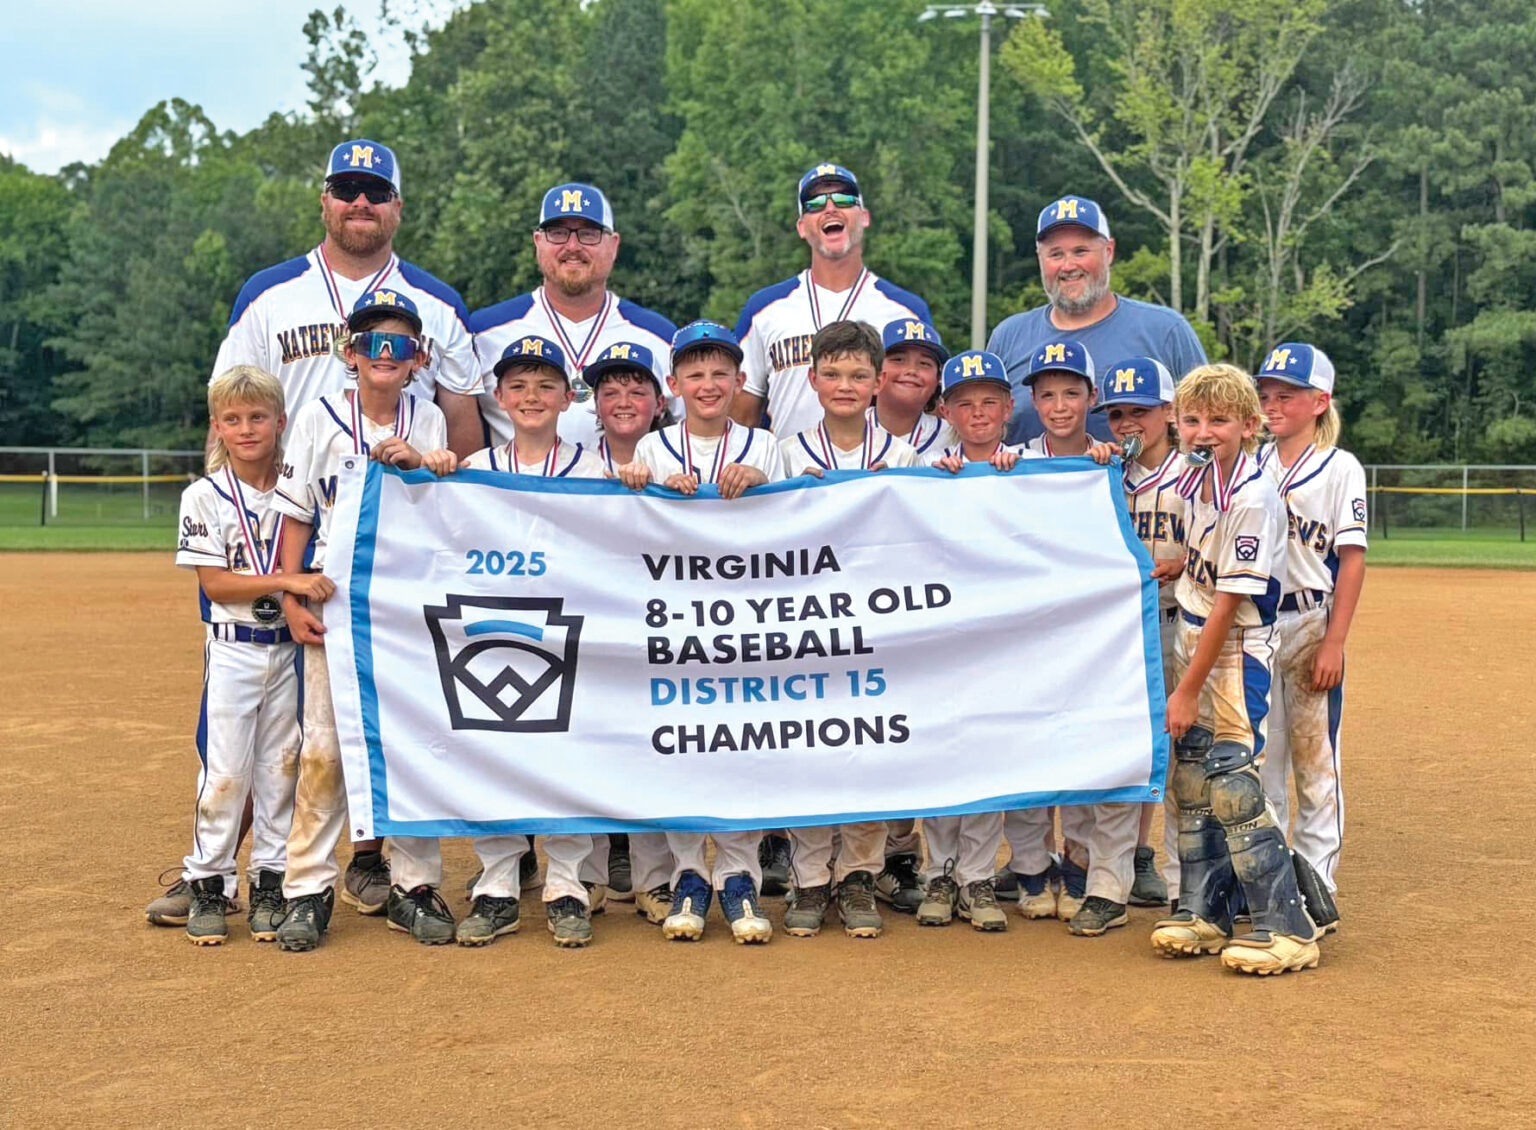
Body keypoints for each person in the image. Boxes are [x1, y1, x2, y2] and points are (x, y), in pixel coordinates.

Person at [148, 138, 481, 928]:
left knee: (379, 721)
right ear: (325, 200)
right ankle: (228, 871)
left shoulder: (433, 302)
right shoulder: (270, 294)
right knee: (253, 709)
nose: (360, 204)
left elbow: (463, 419)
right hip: (286, 530)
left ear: (397, 206)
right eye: (346, 190)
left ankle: (375, 871)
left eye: (376, 192)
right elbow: (227, 404)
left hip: (398, 558)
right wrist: (226, 515)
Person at [268, 289, 456, 952]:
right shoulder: (319, 418)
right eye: (373, 342)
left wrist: (428, 467)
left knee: (414, 743)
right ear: (349, 353)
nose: (387, 354)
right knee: (324, 747)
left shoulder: (428, 418)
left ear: (418, 357)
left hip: (408, 605)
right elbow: (294, 513)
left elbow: (445, 508)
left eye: (400, 345)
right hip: (336, 598)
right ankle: (307, 887)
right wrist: (290, 596)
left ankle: (413, 884)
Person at [409, 335, 608, 948]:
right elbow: (433, 547)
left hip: (571, 633)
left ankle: (568, 885)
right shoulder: (473, 473)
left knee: (568, 759)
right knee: (490, 757)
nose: (531, 397)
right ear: (497, 396)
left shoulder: (594, 469)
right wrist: (428, 475)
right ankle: (496, 887)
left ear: (568, 396)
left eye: (545, 385)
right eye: (518, 386)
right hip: (491, 635)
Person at [1150, 363, 1323, 976]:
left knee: (1230, 780)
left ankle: (1288, 925)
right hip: (1194, 636)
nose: (1203, 431)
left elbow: (1230, 599)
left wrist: (1188, 689)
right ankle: (1204, 910)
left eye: (1219, 420)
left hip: (1233, 648)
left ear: (1251, 425)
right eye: (1192, 419)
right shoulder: (1196, 472)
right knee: (1191, 781)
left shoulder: (1252, 494)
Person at [615, 320, 784, 944]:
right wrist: (640, 485)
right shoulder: (654, 450)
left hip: (745, 624)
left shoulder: (765, 445)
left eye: (720, 373)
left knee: (740, 746)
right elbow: (627, 531)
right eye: (694, 374)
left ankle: (740, 878)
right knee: (682, 744)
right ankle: (689, 873)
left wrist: (766, 486)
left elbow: (797, 523)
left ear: (741, 380)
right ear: (673, 384)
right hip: (674, 625)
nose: (708, 385)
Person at [775, 320, 919, 941]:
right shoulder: (784, 452)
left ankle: (859, 873)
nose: (845, 384)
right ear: (811, 379)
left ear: (880, 381)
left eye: (859, 374)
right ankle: (809, 875)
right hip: (808, 624)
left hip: (877, 624)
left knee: (867, 746)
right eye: (831, 373)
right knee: (810, 744)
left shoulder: (904, 456)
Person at [173, 367, 328, 945]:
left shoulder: (298, 490)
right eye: (232, 419)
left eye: (258, 417)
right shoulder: (204, 495)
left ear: (280, 422)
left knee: (280, 770)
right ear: (217, 427)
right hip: (235, 649)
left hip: (288, 651)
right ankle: (209, 882)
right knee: (225, 773)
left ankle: (269, 880)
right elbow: (216, 584)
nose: (246, 429)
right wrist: (291, 579)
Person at [914, 348, 1039, 933]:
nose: (980, 413)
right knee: (942, 749)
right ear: (946, 410)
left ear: (1009, 407)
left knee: (992, 750)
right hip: (941, 634)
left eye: (991, 401)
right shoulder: (927, 468)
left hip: (1005, 638)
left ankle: (979, 875)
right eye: (966, 403)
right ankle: (941, 871)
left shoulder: (1031, 467)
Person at [997, 339, 1116, 922]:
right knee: (1026, 747)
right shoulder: (1013, 459)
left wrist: (1114, 469)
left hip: (1090, 633)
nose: (1060, 405)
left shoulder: (1111, 460)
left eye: (1072, 392)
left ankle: (1079, 862)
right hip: (1025, 631)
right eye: (1047, 394)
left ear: (1092, 397)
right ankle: (1029, 867)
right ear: (1033, 401)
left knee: (1082, 747)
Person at [1254, 343, 1366, 911]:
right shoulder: (1251, 463)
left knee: (1314, 760)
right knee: (1262, 762)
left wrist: (1335, 641)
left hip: (1309, 620)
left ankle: (1318, 881)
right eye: (1267, 394)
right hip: (1254, 623)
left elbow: (1352, 558)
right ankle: (1273, 882)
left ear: (1319, 401)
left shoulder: (1339, 466)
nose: (1273, 403)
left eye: (1288, 395)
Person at [469, 183, 677, 451]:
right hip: (515, 492)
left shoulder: (659, 336)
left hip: (624, 492)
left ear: (613, 245)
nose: (572, 246)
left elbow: (685, 436)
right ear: (537, 242)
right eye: (558, 233)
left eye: (588, 234)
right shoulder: (484, 330)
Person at [732, 163, 932, 440]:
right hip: (788, 476)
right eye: (814, 204)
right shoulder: (764, 309)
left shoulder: (906, 311)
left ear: (864, 217)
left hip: (877, 474)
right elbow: (741, 416)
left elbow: (929, 406)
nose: (830, 208)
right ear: (802, 227)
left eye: (844, 199)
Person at [582, 342, 677, 923]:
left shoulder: (675, 460)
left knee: (656, 747)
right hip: (592, 627)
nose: (624, 401)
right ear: (593, 403)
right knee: (591, 747)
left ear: (659, 400)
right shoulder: (572, 464)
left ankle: (656, 878)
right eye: (610, 391)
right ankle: (589, 877)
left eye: (636, 389)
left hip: (657, 622)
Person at [987, 195, 1206, 445]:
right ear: (1040, 258)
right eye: (1055, 254)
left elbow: (1209, 425)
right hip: (1025, 483)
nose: (1068, 266)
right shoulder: (1008, 336)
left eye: (1080, 251)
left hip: (1144, 484)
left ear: (1109, 252)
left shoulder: (1165, 330)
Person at [1096, 357, 1187, 914]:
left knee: (1182, 764)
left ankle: (1185, 888)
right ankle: (1109, 883)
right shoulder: (1100, 475)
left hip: (1179, 625)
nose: (1130, 422)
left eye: (1143, 411)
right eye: (1118, 413)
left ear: (1169, 412)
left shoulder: (1196, 474)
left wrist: (1189, 562)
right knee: (1118, 754)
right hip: (1119, 634)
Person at [869, 317, 956, 461]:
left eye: (924, 363)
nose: (911, 370)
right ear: (875, 369)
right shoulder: (847, 428)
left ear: (937, 379)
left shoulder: (954, 434)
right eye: (898, 359)